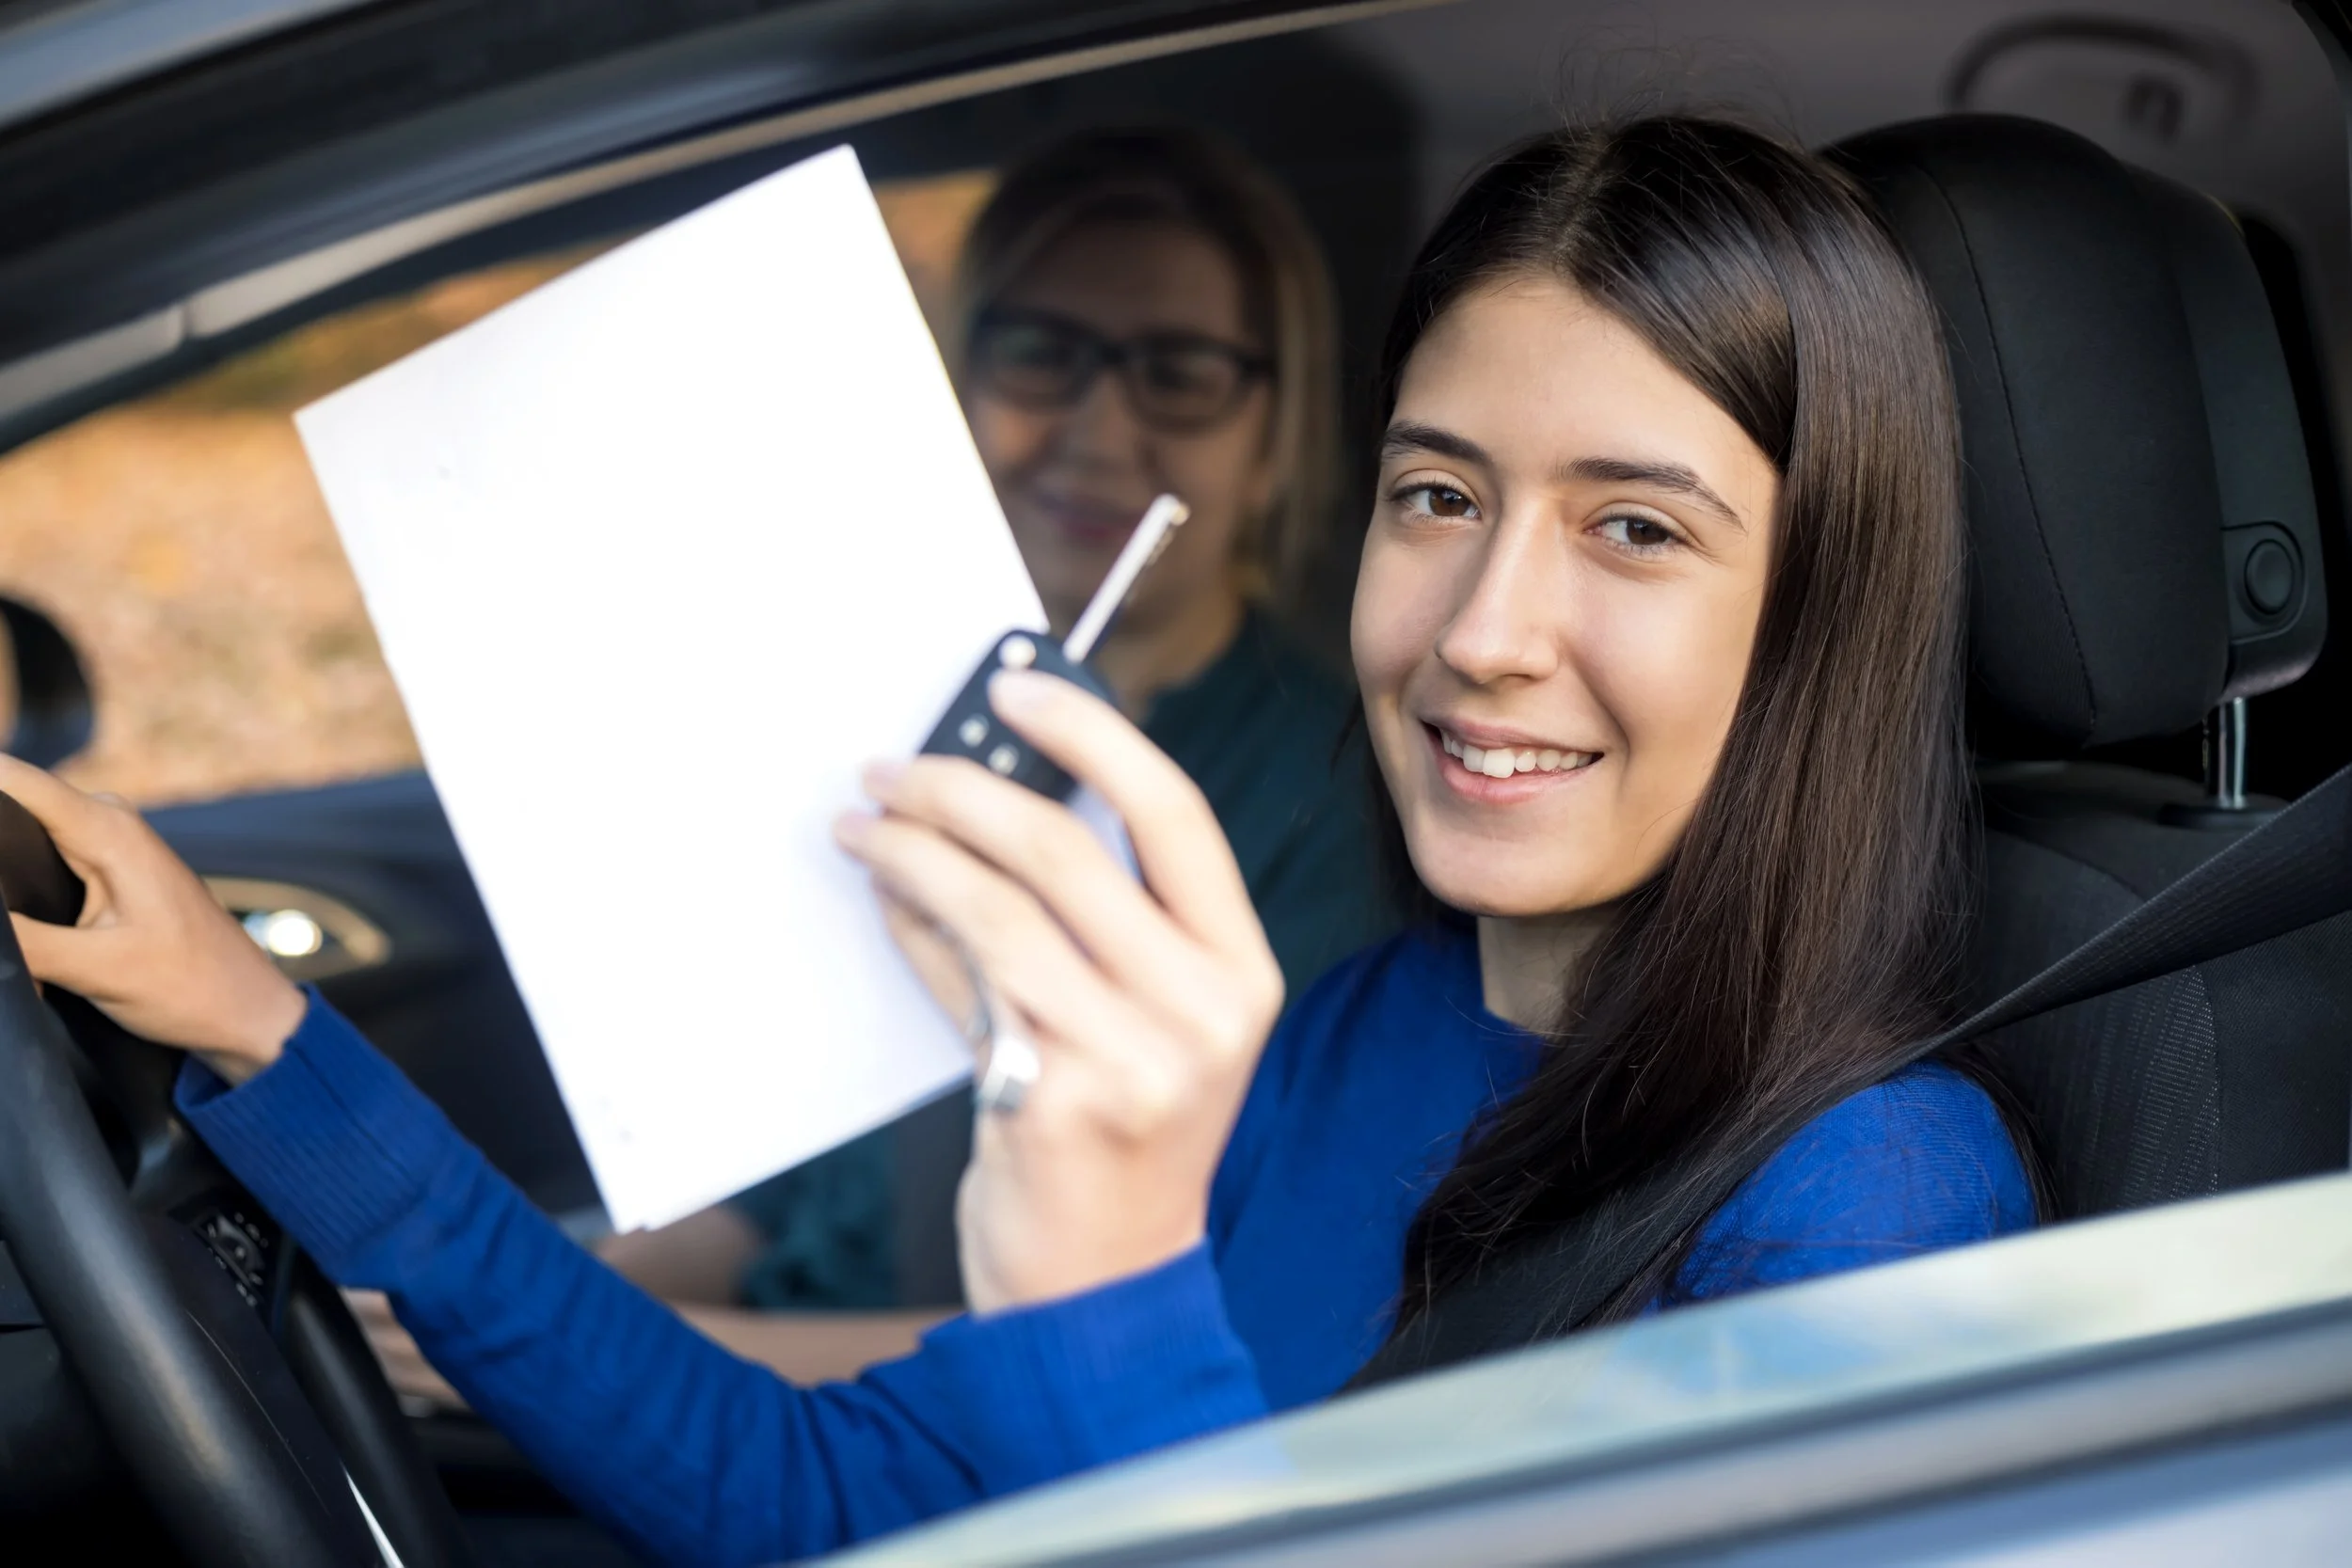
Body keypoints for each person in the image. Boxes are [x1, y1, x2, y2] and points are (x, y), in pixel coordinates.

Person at [7, 117, 2034, 1568]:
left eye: (1633, 526)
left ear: (1817, 611)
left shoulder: (1871, 1198)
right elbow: (816, 1495)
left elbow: (1111, 1422)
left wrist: (1109, 1278)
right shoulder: (1346, 1035)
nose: (1484, 630)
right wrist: (263, 1030)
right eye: (1436, 496)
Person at [551, 128, 1391, 1371]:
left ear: (1274, 438)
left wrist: (642, 1357)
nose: (1100, 433)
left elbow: (1200, 1312)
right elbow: (777, 1198)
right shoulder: (876, 706)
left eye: (1181, 373)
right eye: (1043, 354)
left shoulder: (1329, 791)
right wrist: (554, 1303)